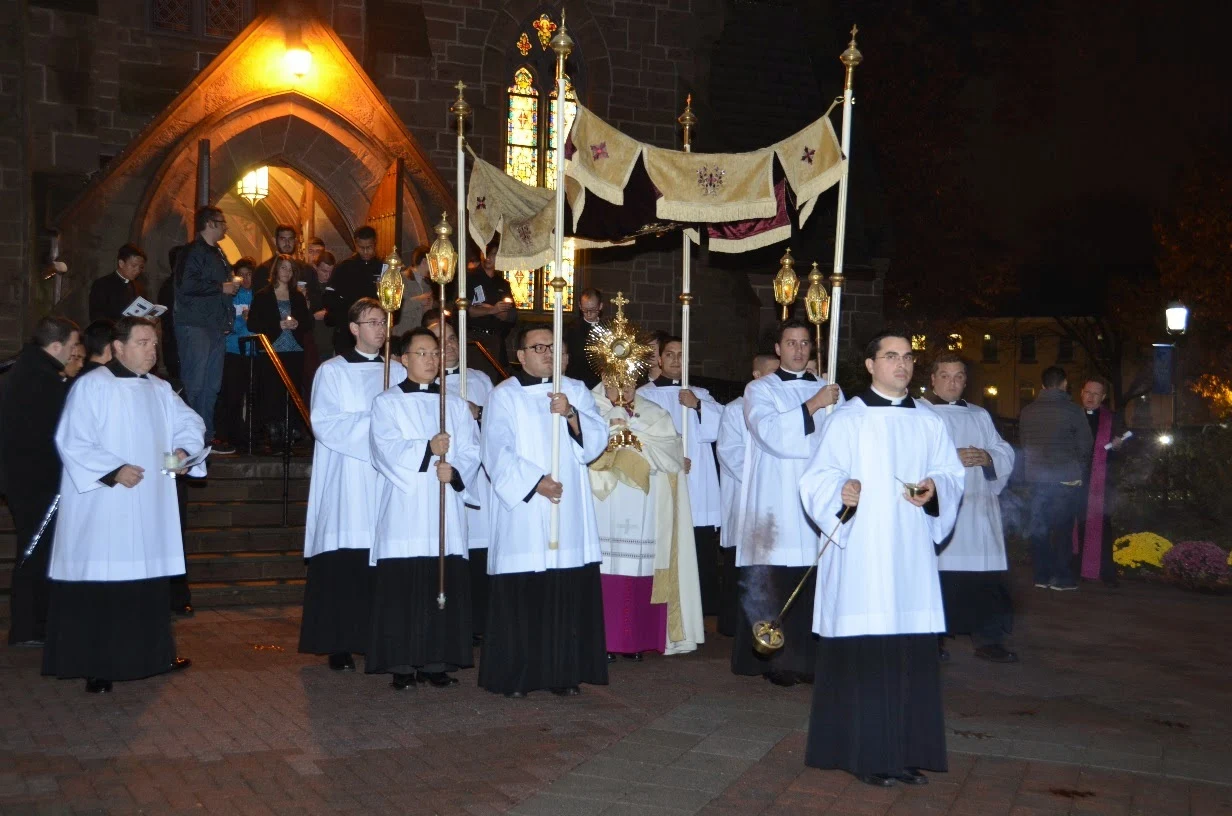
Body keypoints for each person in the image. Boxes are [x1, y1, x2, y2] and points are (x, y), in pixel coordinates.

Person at [798, 329, 965, 787]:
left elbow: (952, 475)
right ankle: (862, 753)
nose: (903, 364)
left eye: (908, 357)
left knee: (908, 654)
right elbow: (815, 478)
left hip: (910, 556)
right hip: (862, 560)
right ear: (870, 365)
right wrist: (840, 490)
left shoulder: (929, 421)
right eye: (891, 356)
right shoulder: (847, 420)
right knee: (867, 654)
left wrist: (935, 491)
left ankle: (905, 752)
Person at [43, 317, 204, 693]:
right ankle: (99, 666)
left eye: (154, 343)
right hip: (106, 506)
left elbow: (191, 423)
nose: (152, 350)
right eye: (143, 342)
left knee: (145, 587)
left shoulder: (161, 388)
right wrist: (113, 469)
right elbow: (73, 439)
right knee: (106, 586)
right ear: (119, 347)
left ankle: (151, 657)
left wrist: (183, 451)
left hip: (150, 508)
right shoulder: (92, 386)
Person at [479, 325, 609, 697]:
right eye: (540, 347)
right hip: (525, 509)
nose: (549, 354)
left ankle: (562, 673)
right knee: (525, 593)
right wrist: (535, 482)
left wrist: (571, 415)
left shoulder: (576, 390)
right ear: (520, 355)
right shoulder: (504, 395)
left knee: (563, 592)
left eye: (556, 348)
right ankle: (519, 675)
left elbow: (595, 442)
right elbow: (496, 449)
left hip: (568, 513)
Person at [367, 328, 480, 690]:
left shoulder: (455, 404)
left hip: (444, 505)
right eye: (422, 353)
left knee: (440, 580)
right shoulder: (386, 402)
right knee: (404, 585)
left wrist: (456, 470)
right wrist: (427, 448)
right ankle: (401, 663)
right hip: (405, 506)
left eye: (435, 353)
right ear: (403, 359)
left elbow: (472, 449)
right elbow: (383, 448)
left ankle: (436, 661)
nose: (431, 359)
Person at [730, 321, 842, 686]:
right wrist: (813, 405)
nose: (798, 349)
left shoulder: (829, 389)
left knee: (812, 577)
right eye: (791, 343)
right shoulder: (759, 389)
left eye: (805, 343)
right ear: (778, 349)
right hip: (776, 496)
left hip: (816, 498)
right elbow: (772, 434)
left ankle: (809, 660)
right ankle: (773, 660)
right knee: (775, 578)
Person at [300, 298, 406, 672]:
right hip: (347, 477)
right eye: (372, 321)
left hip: (387, 477)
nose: (380, 328)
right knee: (346, 560)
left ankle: (379, 639)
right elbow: (327, 424)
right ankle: (339, 641)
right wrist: (380, 427)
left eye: (384, 322)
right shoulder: (332, 371)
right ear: (353, 328)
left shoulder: (397, 371)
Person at [590, 379, 702, 660]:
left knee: (640, 570)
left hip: (645, 503)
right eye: (615, 381)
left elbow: (672, 453)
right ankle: (600, 640)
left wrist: (631, 433)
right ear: (604, 377)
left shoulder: (653, 413)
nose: (622, 388)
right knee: (602, 569)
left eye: (627, 382)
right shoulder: (587, 408)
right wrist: (612, 425)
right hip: (602, 503)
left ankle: (636, 640)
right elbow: (583, 447)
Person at [927, 353, 1018, 663]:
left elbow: (1003, 449)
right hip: (942, 510)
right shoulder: (921, 413)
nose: (952, 382)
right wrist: (952, 457)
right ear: (933, 379)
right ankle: (933, 642)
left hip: (979, 508)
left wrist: (989, 457)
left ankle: (988, 639)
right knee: (940, 581)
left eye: (958, 377)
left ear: (965, 381)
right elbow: (912, 457)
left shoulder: (980, 415)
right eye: (945, 376)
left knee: (985, 580)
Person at [1, 316, 80, 646]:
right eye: (74, 346)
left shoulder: (24, 370)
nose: (78, 353)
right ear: (57, 346)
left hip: (23, 478)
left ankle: (31, 625)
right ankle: (28, 627)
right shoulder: (43, 381)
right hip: (36, 481)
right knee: (36, 552)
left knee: (34, 549)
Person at [638, 336, 723, 619]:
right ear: (659, 359)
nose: (676, 359)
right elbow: (640, 438)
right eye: (670, 354)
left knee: (698, 546)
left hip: (698, 482)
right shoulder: (645, 395)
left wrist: (698, 406)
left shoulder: (701, 393)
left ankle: (702, 612)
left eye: (681, 354)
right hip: (664, 479)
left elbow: (722, 428)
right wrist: (671, 460)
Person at [424, 313, 497, 646]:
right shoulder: (423, 385)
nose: (449, 345)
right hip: (437, 481)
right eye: (439, 341)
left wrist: (478, 413)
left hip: (477, 478)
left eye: (453, 338)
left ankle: (479, 622)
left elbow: (499, 428)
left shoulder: (480, 379)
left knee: (478, 550)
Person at [714, 353, 778, 637]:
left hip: (772, 498)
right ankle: (732, 623)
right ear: (756, 375)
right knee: (739, 563)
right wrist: (763, 478)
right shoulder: (734, 410)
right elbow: (730, 453)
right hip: (743, 496)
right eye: (771, 372)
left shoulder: (780, 408)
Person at [1018, 366, 1093, 592]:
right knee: (1062, 529)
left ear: (1042, 386)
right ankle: (1061, 578)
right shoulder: (1073, 411)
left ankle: (1041, 575)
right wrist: (1076, 465)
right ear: (1064, 384)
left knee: (1039, 528)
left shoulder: (1027, 411)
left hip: (1036, 477)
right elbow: (1086, 444)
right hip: (1065, 477)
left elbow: (1024, 443)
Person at [174, 206, 238, 454]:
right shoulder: (192, 251)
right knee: (196, 383)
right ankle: (189, 438)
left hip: (214, 325)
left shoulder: (217, 252)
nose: (225, 226)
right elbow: (186, 284)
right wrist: (220, 287)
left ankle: (205, 435)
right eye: (222, 222)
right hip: (196, 325)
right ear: (210, 223)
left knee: (212, 385)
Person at [246, 254, 313, 450]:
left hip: (294, 349)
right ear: (275, 270)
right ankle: (272, 431)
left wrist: (297, 323)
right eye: (283, 268)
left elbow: (307, 324)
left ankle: (290, 429)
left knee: (292, 391)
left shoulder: (297, 296)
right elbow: (253, 323)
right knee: (271, 391)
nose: (287, 272)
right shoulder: (262, 295)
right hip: (272, 350)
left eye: (290, 269)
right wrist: (278, 324)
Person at [1075, 378, 1124, 586]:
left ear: (1103, 397)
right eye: (1087, 392)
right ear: (1081, 392)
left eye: (1096, 394)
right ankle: (1076, 571)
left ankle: (1105, 572)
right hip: (1075, 480)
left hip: (1100, 483)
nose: (1090, 397)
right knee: (1075, 526)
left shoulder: (1112, 420)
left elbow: (1124, 450)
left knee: (1101, 525)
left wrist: (1119, 446)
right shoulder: (1072, 416)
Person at [215, 259, 255, 451]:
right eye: (242, 275)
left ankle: (250, 433)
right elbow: (226, 322)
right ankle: (232, 434)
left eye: (249, 274)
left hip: (254, 351)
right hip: (233, 350)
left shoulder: (257, 295)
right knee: (233, 395)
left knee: (252, 395)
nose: (246, 279)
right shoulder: (231, 296)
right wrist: (242, 321)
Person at [328, 226, 384, 355]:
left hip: (375, 329)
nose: (365, 251)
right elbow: (329, 297)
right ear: (355, 245)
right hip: (348, 333)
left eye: (368, 247)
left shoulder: (382, 268)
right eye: (361, 247)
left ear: (375, 243)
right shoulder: (344, 267)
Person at [458, 245, 516, 368]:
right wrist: (493, 310)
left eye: (493, 254)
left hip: (496, 338)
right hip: (474, 339)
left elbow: (511, 316)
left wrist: (492, 310)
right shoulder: (469, 279)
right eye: (485, 253)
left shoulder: (503, 284)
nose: (488, 258)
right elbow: (466, 310)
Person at [88, 244, 146, 322]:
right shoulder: (102, 284)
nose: (137, 270)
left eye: (141, 267)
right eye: (134, 266)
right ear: (121, 263)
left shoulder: (139, 287)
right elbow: (97, 317)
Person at [392, 245, 435, 337]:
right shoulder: (401, 279)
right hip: (400, 335)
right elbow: (395, 308)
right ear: (424, 261)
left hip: (417, 335)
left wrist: (428, 309)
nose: (434, 269)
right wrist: (419, 300)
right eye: (433, 263)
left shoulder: (427, 285)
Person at [565, 288, 603, 388]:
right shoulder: (571, 329)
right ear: (580, 306)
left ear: (600, 306)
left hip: (601, 384)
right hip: (576, 382)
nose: (589, 314)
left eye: (593, 309)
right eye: (585, 310)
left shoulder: (607, 329)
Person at [253, 224, 301, 292]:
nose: (287, 243)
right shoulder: (263, 270)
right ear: (274, 241)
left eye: (290, 239)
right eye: (283, 239)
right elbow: (259, 299)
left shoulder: (305, 268)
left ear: (295, 241)